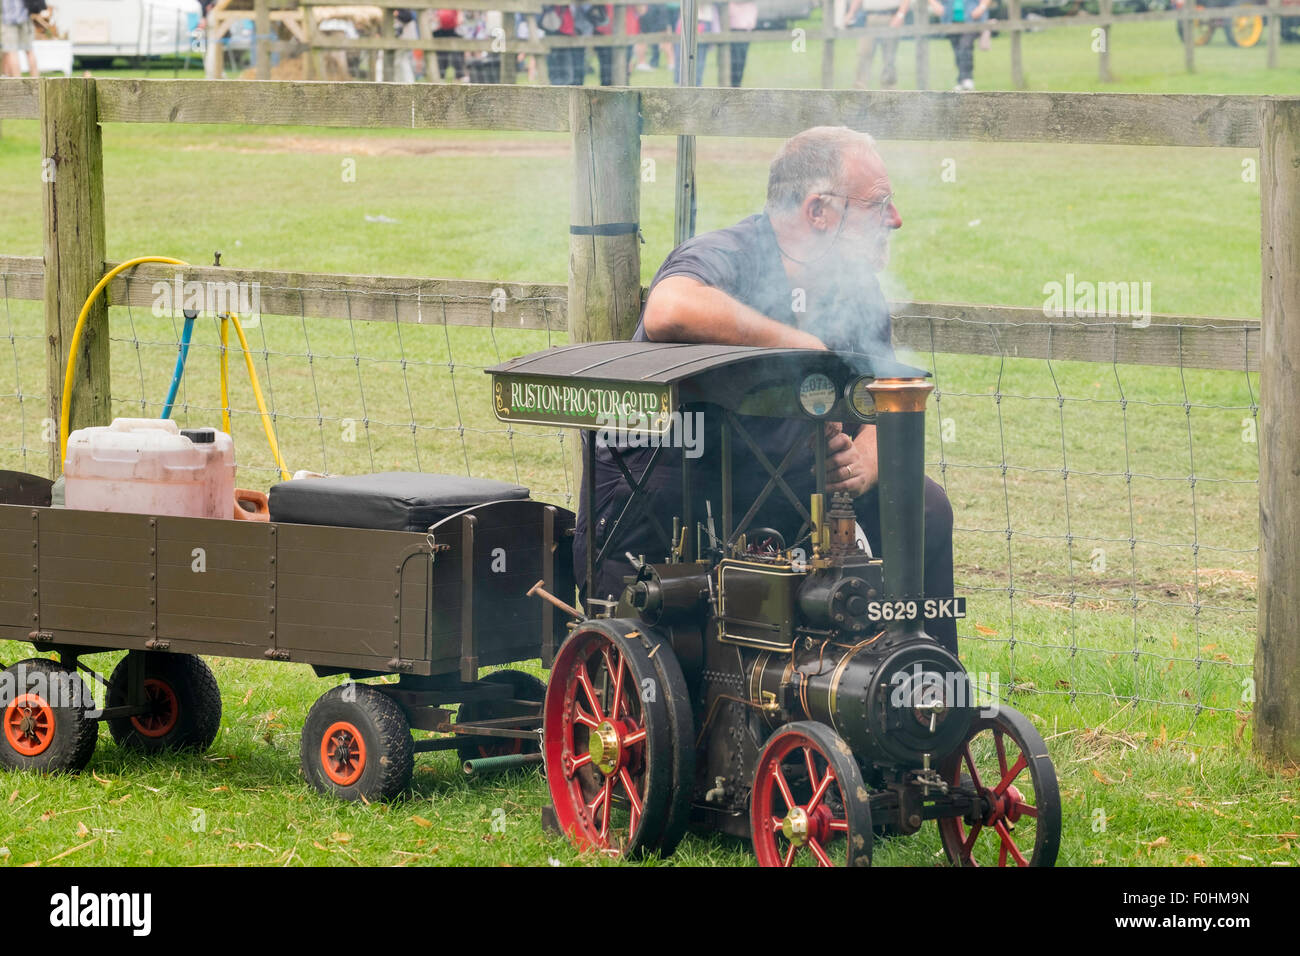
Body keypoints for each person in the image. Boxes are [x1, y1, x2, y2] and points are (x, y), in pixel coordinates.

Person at [575, 126, 959, 655]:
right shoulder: (726, 253)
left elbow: (878, 395)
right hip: (673, 497)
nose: (895, 219)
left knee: (924, 506)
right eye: (879, 204)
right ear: (818, 210)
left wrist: (868, 455)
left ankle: (922, 697)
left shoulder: (856, 288)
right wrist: (801, 345)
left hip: (783, 494)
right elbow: (670, 308)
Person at [897, 0, 989, 91]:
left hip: (972, 19)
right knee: (957, 50)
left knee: (965, 46)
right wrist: (934, 4)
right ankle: (962, 81)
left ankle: (967, 79)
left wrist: (982, 7)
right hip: (950, 19)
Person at [845, 0, 905, 90]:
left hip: (892, 16)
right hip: (868, 17)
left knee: (889, 57)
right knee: (864, 54)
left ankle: (889, 91)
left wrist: (900, 14)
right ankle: (859, 90)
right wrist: (851, 12)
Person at [1, 0, 36, 78]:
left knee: (12, 51)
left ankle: (18, 81)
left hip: (8, 20)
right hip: (25, 18)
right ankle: (37, 82)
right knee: (29, 50)